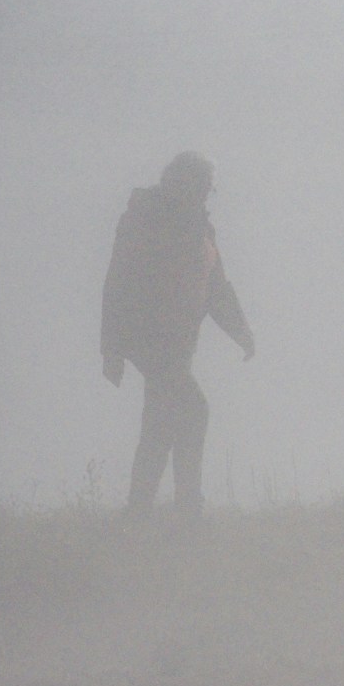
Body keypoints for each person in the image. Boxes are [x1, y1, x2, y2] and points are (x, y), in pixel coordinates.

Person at [100, 151, 254, 517]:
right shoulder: (144, 218)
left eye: (208, 188)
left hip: (179, 343)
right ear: (177, 180)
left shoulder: (201, 227)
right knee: (193, 410)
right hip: (149, 339)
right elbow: (117, 281)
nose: (205, 193)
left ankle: (138, 514)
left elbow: (216, 287)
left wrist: (242, 332)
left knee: (161, 424)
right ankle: (187, 510)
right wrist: (112, 350)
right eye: (200, 185)